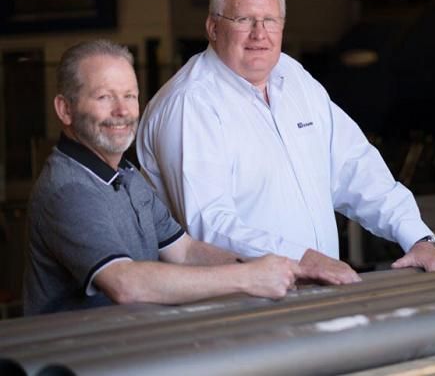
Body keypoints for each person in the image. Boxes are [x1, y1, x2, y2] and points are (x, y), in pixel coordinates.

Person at [137, 0, 435, 284]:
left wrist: (417, 238)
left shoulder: (293, 77)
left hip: (316, 296)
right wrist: (305, 260)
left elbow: (354, 167)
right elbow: (209, 226)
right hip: (240, 311)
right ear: (213, 27)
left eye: (270, 20)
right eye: (244, 19)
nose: (260, 33)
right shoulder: (190, 104)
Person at [24, 40, 300, 316]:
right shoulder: (69, 190)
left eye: (130, 96)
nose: (122, 111)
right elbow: (125, 283)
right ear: (65, 110)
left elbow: (185, 252)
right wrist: (248, 279)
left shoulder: (127, 175)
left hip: (131, 348)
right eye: (104, 97)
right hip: (77, 356)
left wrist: (280, 269)